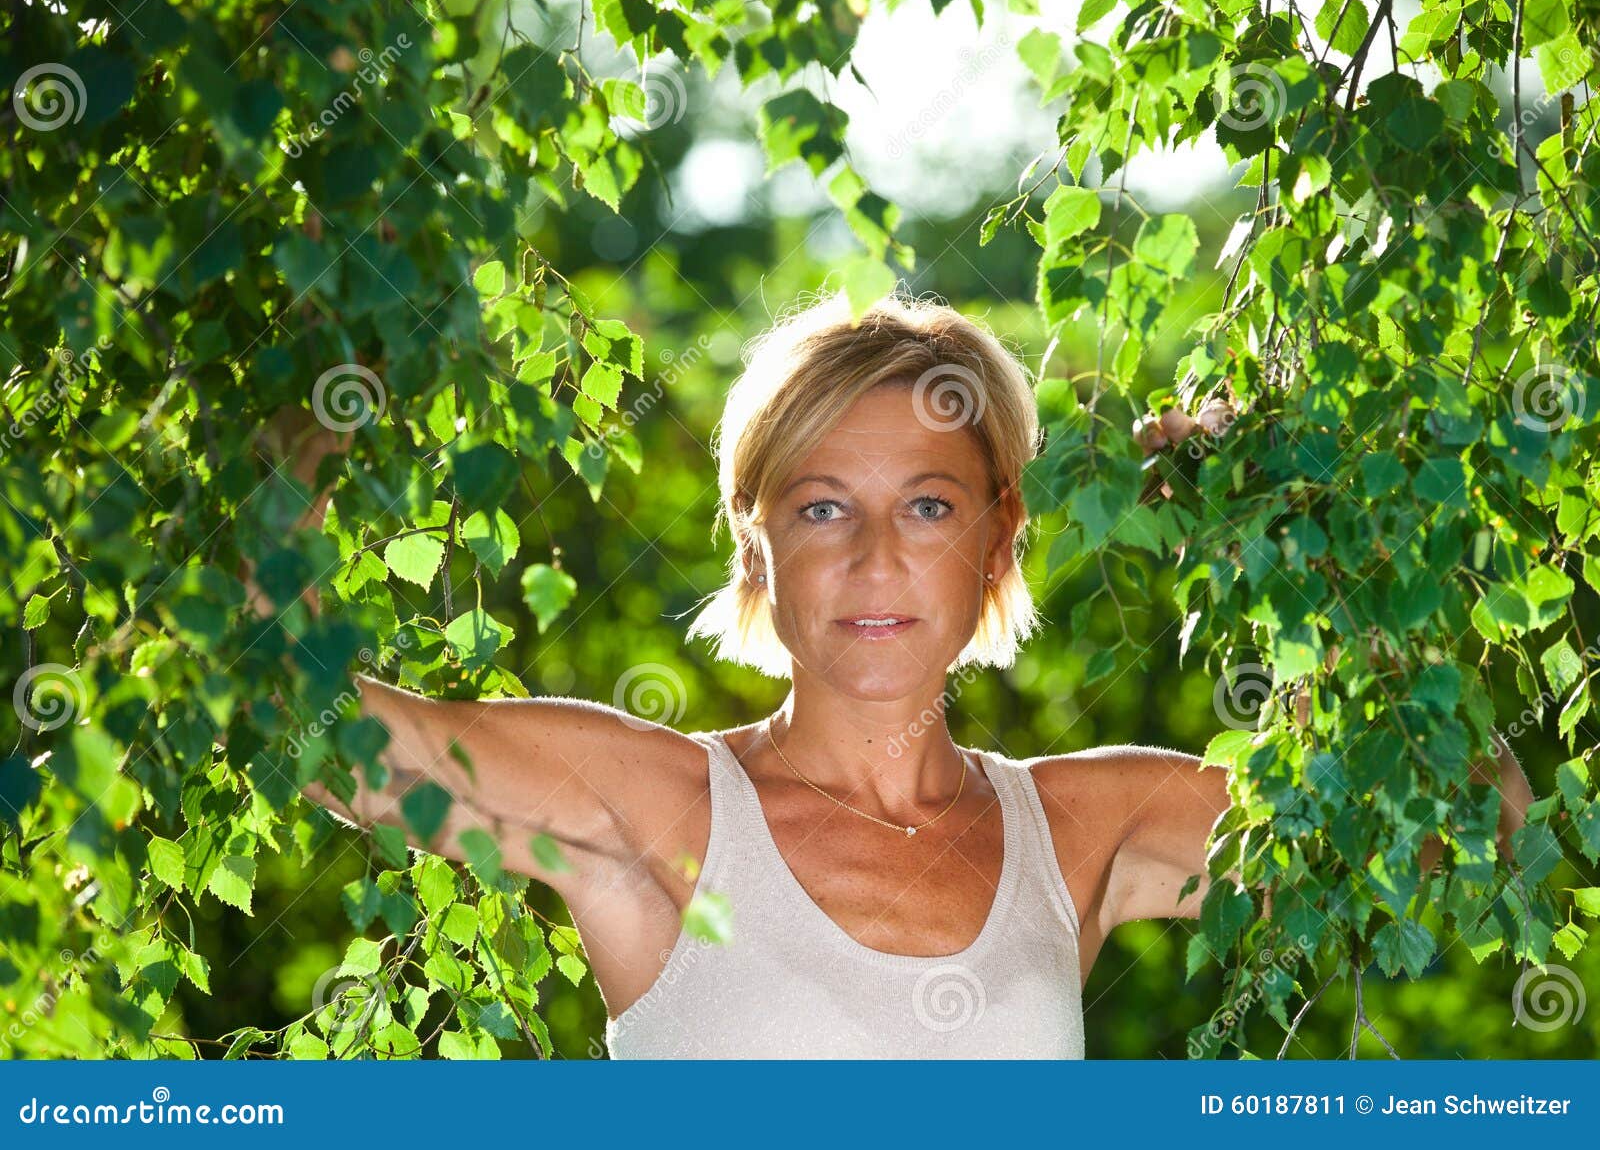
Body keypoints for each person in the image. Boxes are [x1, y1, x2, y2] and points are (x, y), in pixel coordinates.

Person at [257, 289, 1534, 1059]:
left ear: (996, 539)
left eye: (927, 507)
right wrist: (309, 410)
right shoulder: (651, 809)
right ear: (758, 549)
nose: (874, 556)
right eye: (822, 509)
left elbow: (1469, 827)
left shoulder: (1083, 825)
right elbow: (305, 727)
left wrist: (1310, 540)